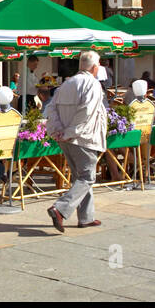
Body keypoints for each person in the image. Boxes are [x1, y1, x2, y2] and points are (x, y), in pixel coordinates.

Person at [45, 50, 108, 231]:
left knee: (80, 178)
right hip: (83, 138)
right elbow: (86, 113)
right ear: (95, 67)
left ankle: (86, 217)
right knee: (87, 177)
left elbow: (51, 108)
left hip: (68, 137)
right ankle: (60, 208)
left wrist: (58, 130)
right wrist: (70, 132)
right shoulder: (92, 84)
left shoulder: (67, 83)